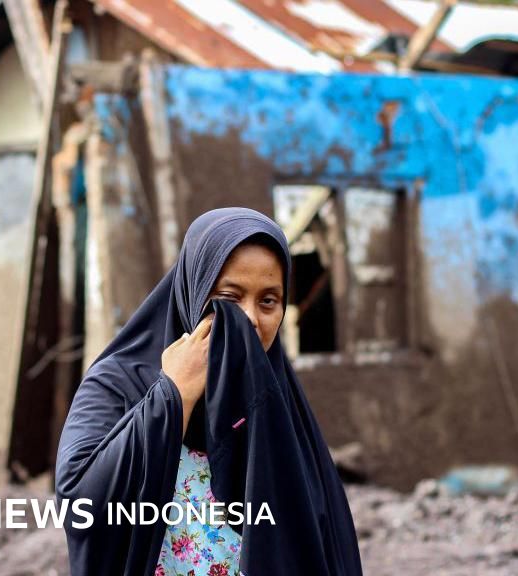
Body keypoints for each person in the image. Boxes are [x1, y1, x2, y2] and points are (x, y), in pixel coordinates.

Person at [55, 207, 363, 575]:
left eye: (268, 301)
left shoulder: (277, 402)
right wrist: (174, 396)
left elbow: (323, 542)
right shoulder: (118, 385)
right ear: (193, 291)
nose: (248, 319)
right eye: (229, 298)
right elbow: (80, 505)